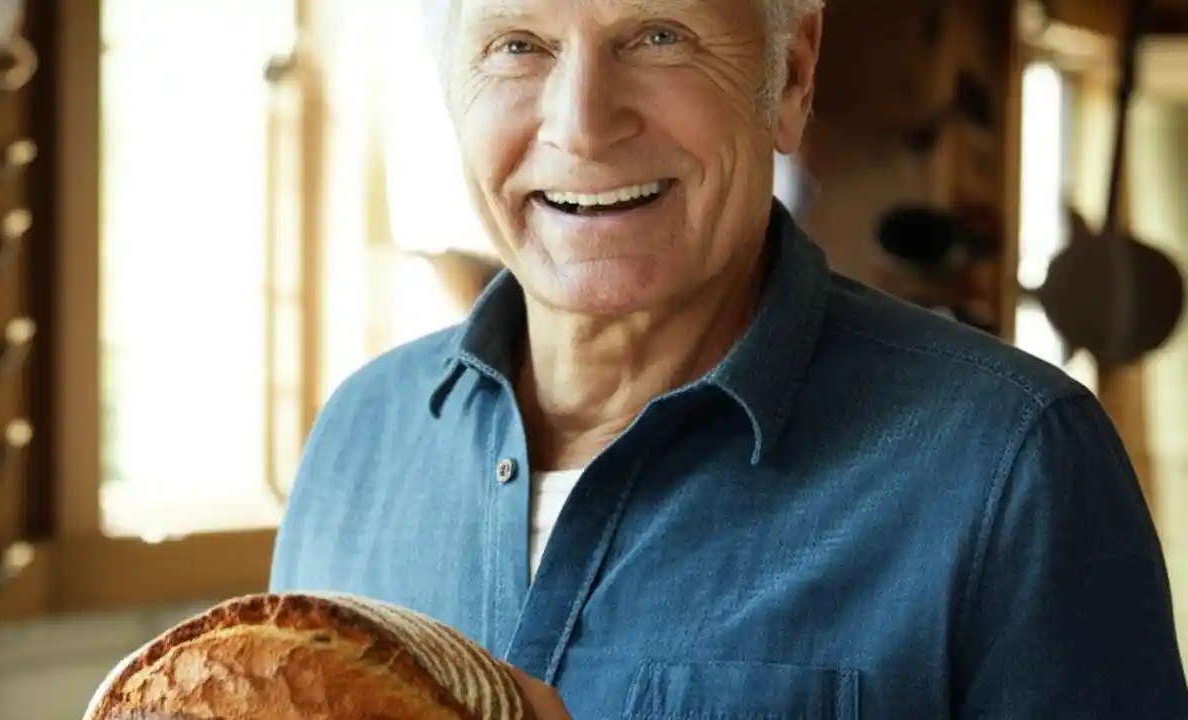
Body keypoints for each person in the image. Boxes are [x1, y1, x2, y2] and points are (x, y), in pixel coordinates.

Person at [271, 0, 1188, 716]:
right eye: (516, 45)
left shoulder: (1012, 464)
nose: (582, 124)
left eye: (660, 34)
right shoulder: (359, 437)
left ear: (790, 76)